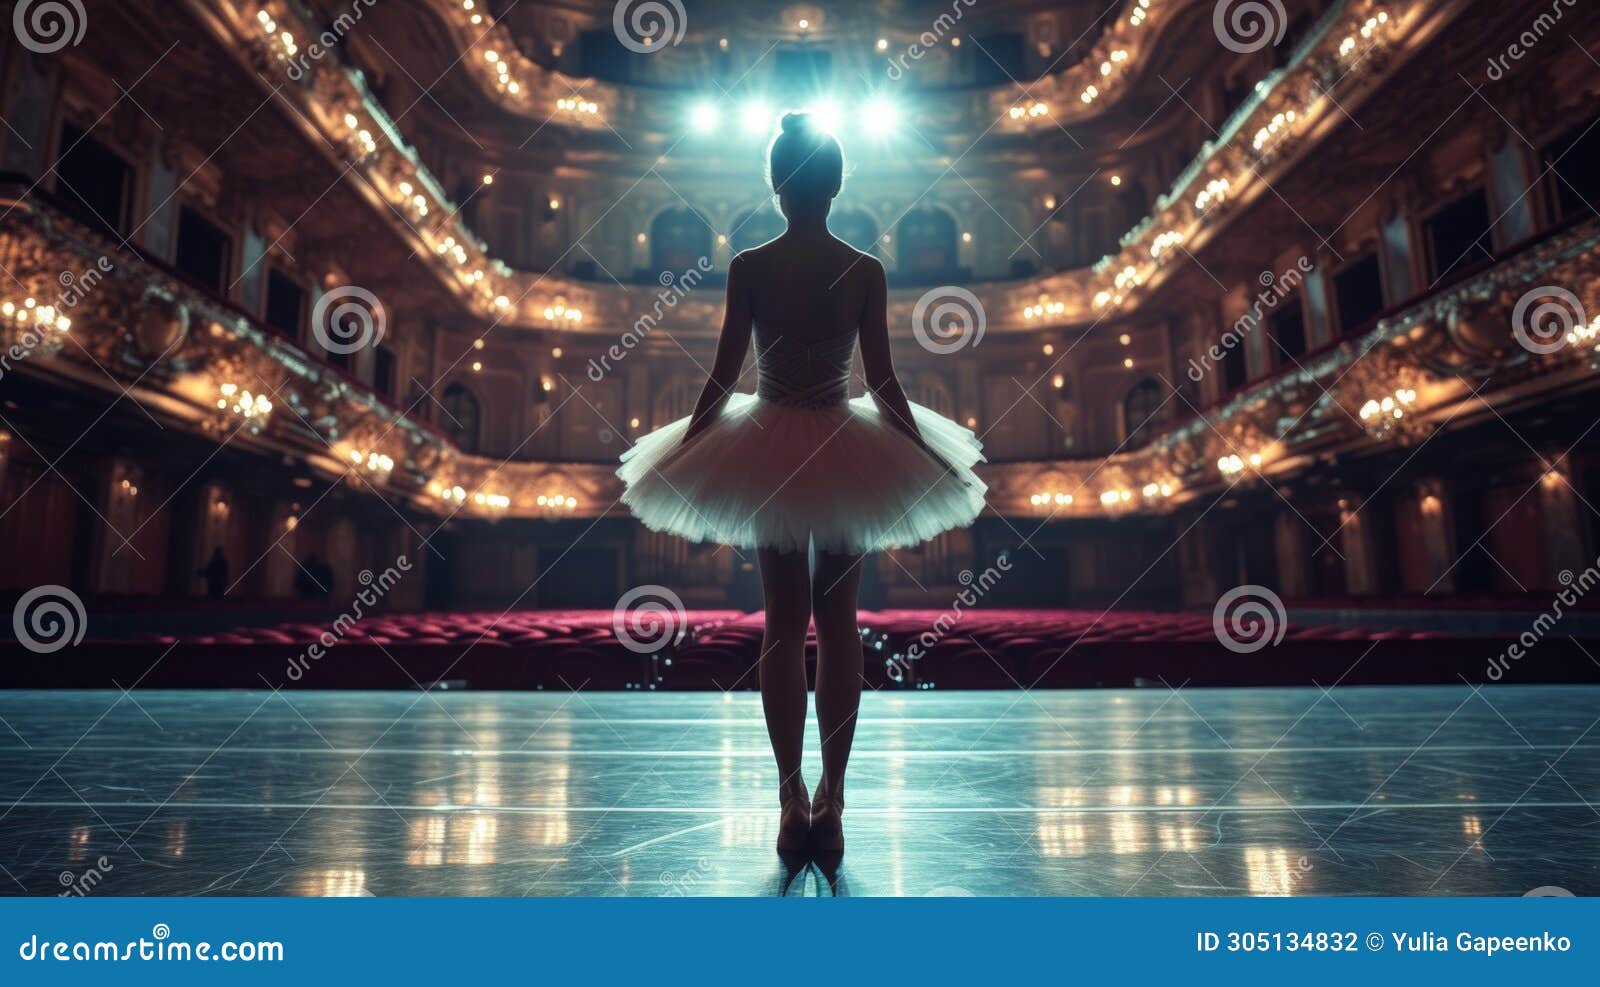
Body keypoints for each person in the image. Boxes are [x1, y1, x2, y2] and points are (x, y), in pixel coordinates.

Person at [617, 112, 986, 854]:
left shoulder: (750, 266)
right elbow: (882, 382)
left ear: (776, 187)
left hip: (768, 441)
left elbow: (724, 375)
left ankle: (790, 799)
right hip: (847, 443)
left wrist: (688, 448)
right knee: (840, 622)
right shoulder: (865, 269)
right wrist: (922, 454)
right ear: (836, 186)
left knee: (782, 625)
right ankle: (833, 800)